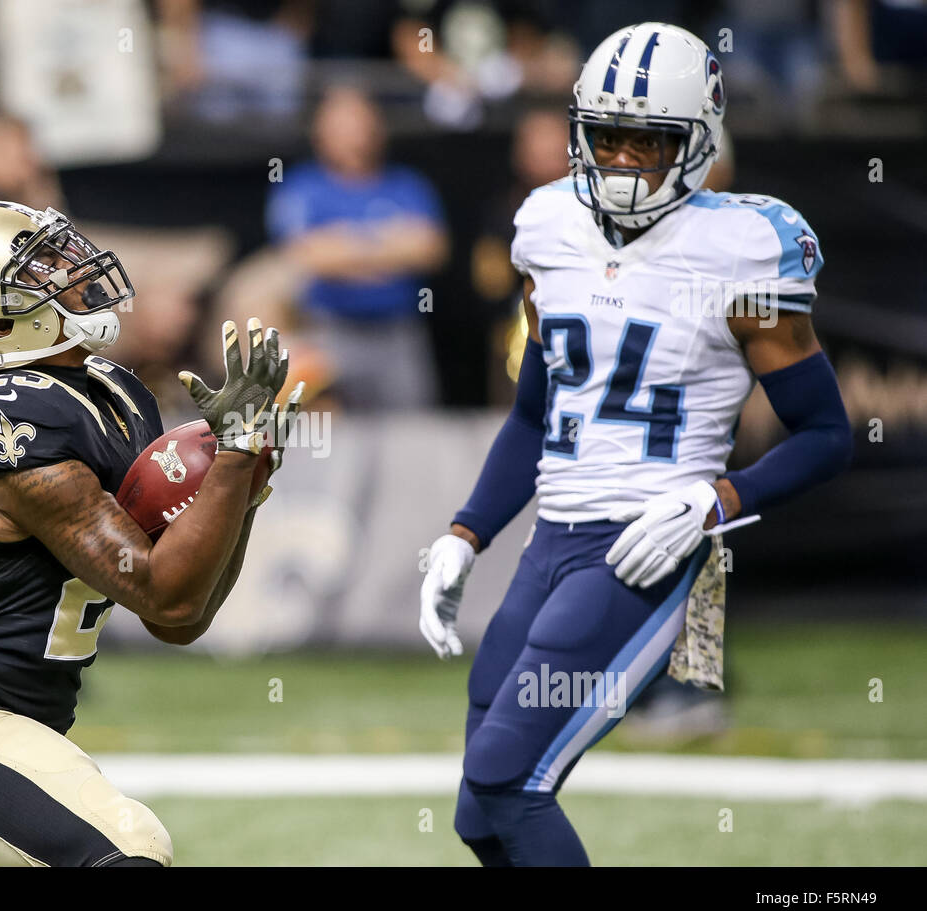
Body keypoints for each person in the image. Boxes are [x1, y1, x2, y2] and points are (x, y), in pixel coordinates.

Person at [418, 22, 852, 866]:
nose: (618, 161)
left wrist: (718, 500)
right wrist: (465, 533)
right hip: (552, 540)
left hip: (645, 549)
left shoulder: (742, 250)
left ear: (695, 144)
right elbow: (532, 419)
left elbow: (828, 435)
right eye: (604, 138)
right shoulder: (546, 226)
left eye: (643, 143)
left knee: (509, 778)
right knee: (478, 808)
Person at [0, 200, 301, 866]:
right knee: (129, 848)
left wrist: (241, 484)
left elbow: (182, 616)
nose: (72, 274)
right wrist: (235, 456)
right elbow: (167, 597)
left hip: (19, 725)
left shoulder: (115, 391)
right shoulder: (6, 420)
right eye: (40, 270)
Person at [267, 85, 447, 410]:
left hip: (399, 335)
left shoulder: (407, 185)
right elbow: (307, 256)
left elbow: (430, 249)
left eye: (361, 124)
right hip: (327, 332)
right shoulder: (303, 187)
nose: (354, 136)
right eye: (341, 126)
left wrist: (346, 243)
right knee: (328, 438)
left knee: (414, 436)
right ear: (320, 133)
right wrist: (389, 245)